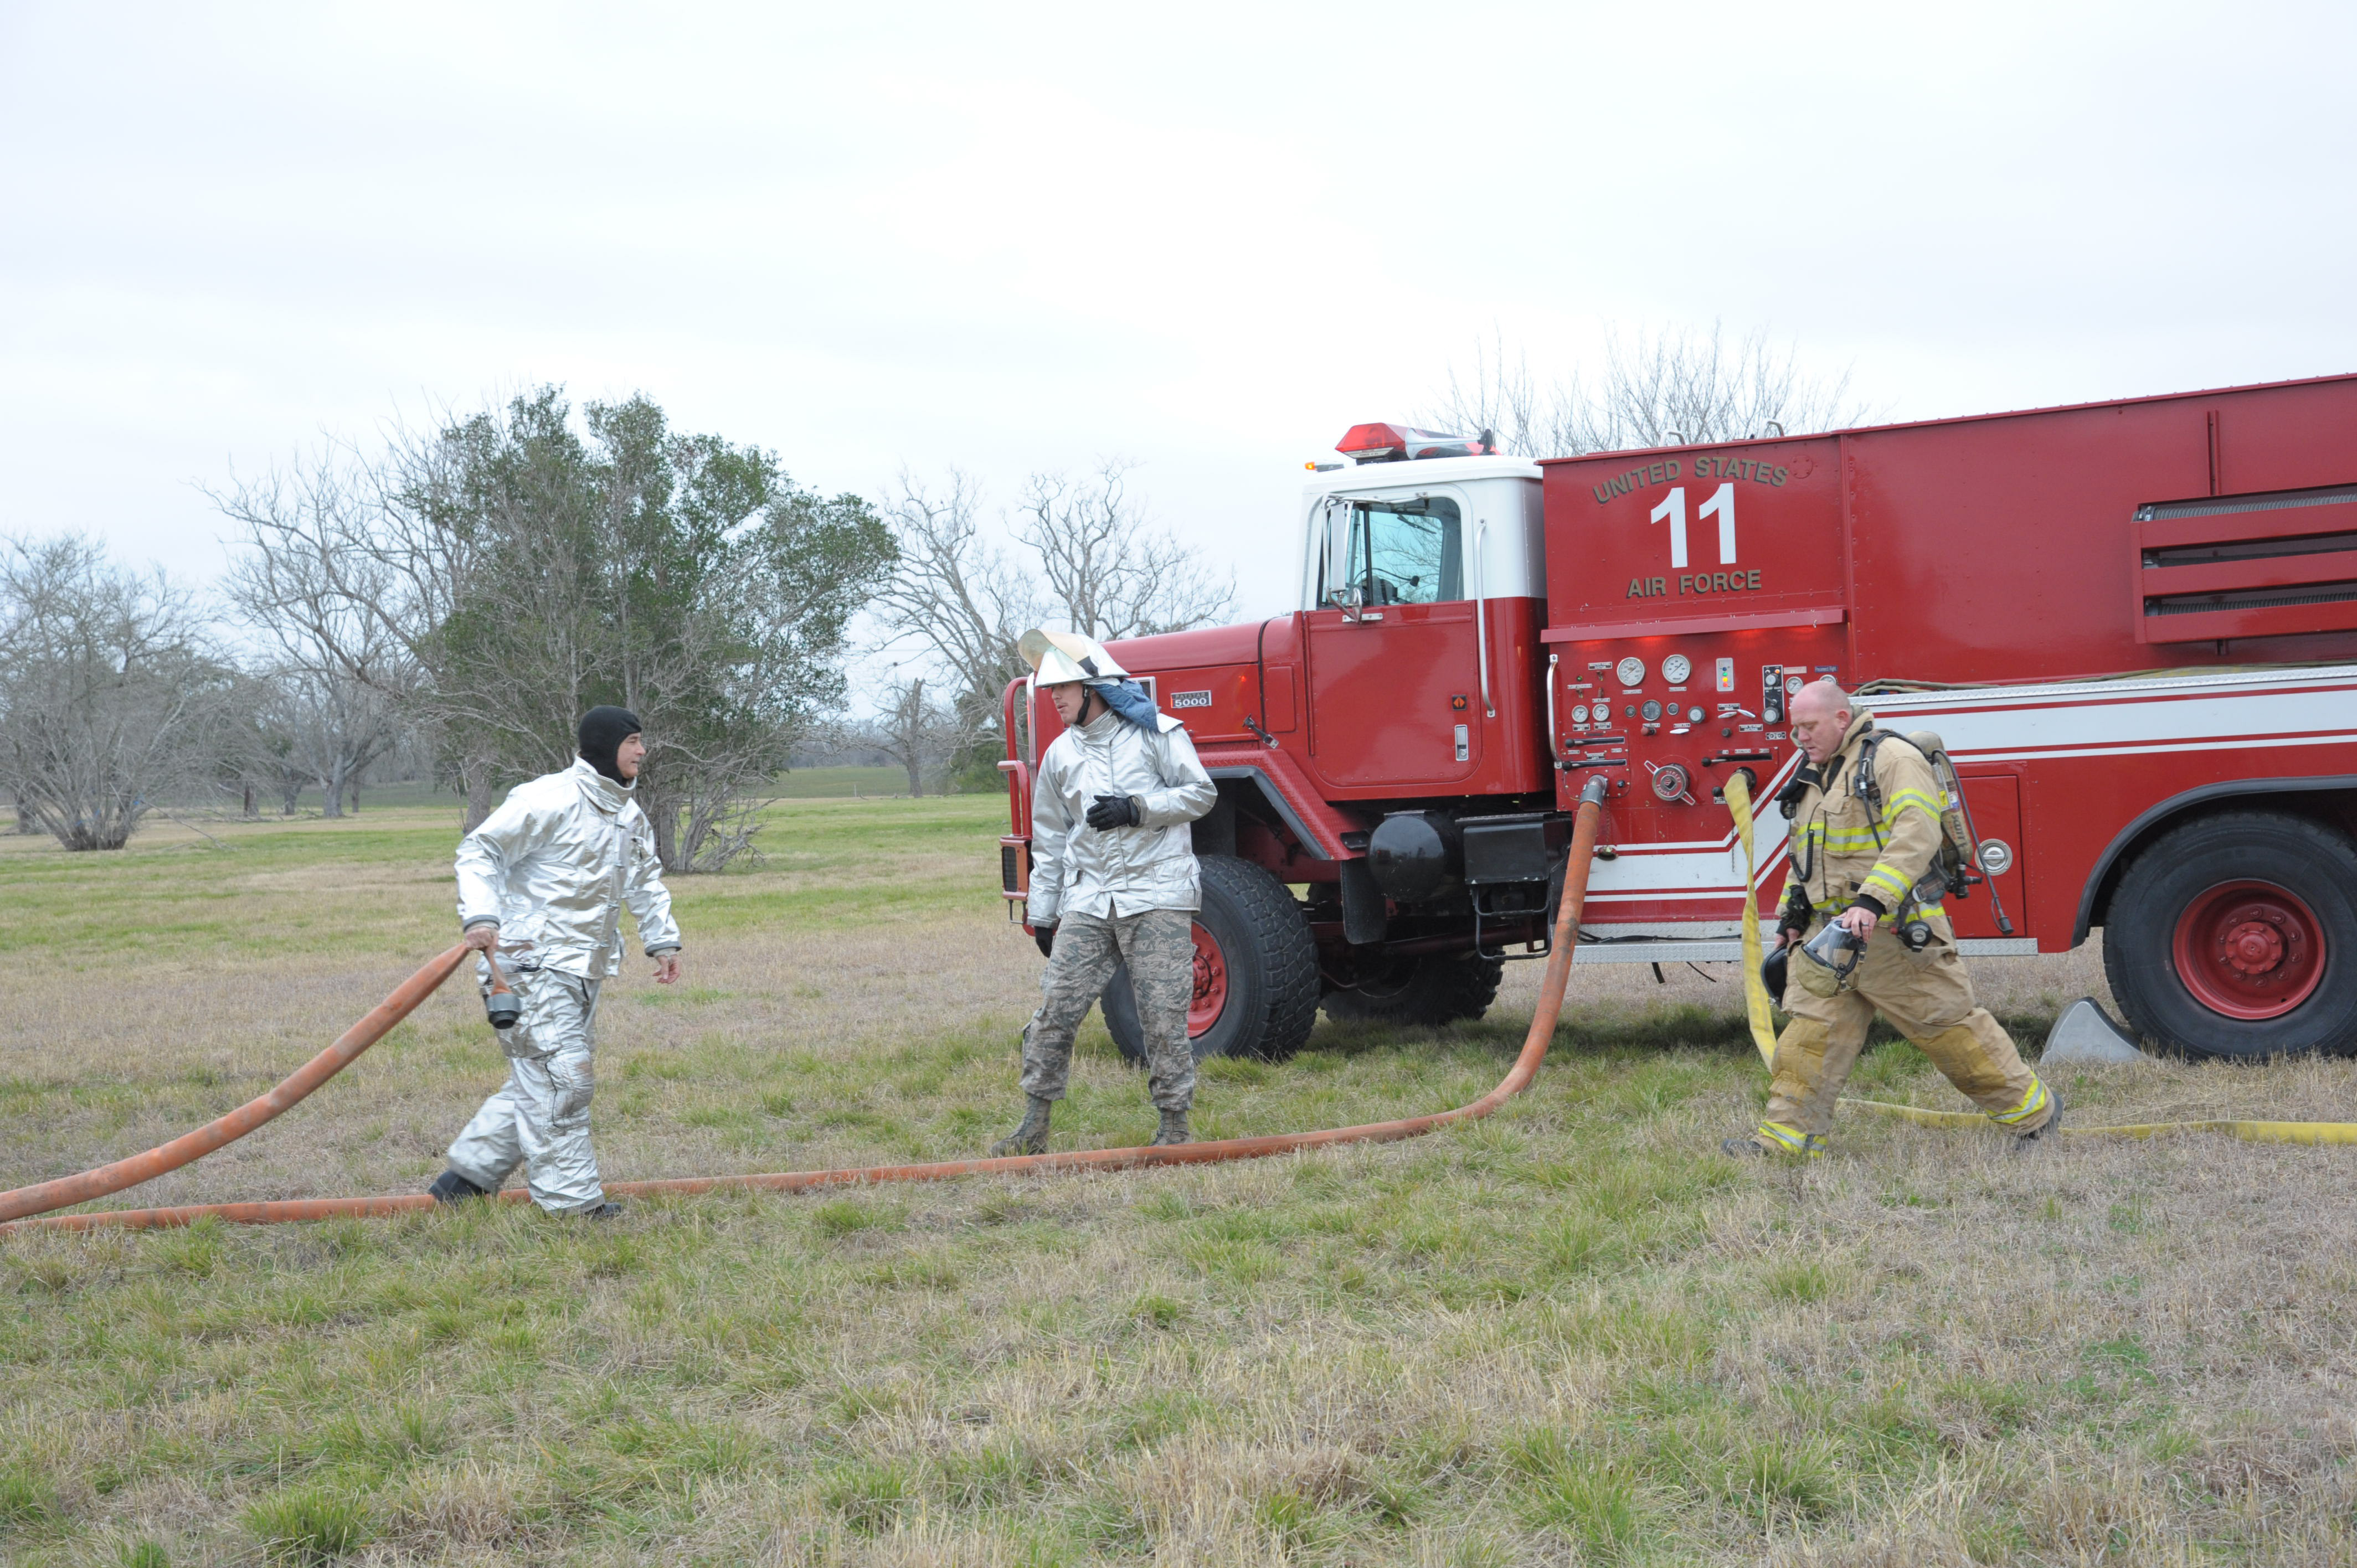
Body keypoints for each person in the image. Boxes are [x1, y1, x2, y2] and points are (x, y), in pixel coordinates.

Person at [1729, 680, 2060, 1157]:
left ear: (1842, 719)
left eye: (1809, 726)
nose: (1799, 737)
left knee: (1950, 1034)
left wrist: (1872, 901)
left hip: (1894, 935)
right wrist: (1793, 915)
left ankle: (2036, 1117)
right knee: (1809, 1037)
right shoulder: (1816, 773)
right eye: (1794, 728)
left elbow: (1917, 832)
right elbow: (1804, 855)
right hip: (1830, 940)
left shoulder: (1892, 760)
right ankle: (1786, 1141)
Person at [425, 706, 683, 1216]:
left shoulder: (626, 813)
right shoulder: (548, 797)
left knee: (539, 1075)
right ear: (607, 745)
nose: (642, 751)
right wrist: (481, 915)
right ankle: (574, 1208)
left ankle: (463, 1184)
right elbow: (480, 852)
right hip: (529, 967)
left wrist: (663, 942)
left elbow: (645, 880)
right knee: (565, 1081)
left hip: (583, 971)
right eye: (633, 741)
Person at [993, 629, 1217, 1155]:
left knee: (1162, 1018)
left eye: (1065, 689)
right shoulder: (1059, 756)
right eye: (1051, 692)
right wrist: (1044, 915)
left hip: (1158, 894)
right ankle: (1033, 1127)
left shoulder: (1158, 733)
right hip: (1090, 902)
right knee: (1054, 1011)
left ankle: (1175, 1126)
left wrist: (1137, 808)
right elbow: (1048, 841)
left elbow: (1201, 794)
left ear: (1095, 687)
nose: (1056, 700)